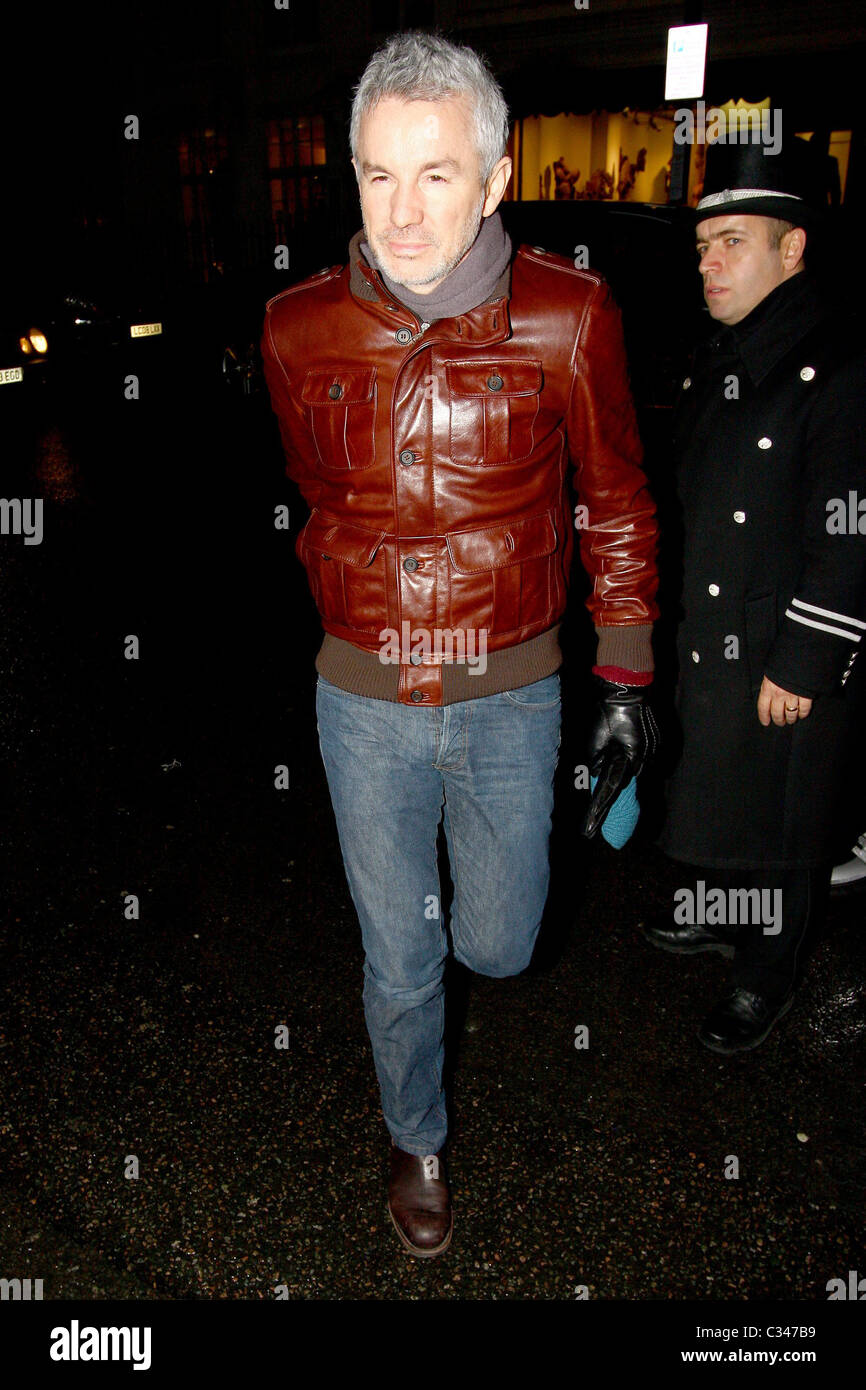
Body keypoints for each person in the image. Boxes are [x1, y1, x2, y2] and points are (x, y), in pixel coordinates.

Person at [261, 29, 658, 1257]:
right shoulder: (295, 327)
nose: (404, 210)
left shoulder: (568, 314)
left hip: (510, 695)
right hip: (361, 703)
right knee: (399, 961)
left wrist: (628, 672)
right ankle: (415, 1133)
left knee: (498, 941)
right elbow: (313, 501)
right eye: (378, 175)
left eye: (436, 175)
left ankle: (465, 930)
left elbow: (619, 500)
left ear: (490, 180)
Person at [645, 130, 866, 1053]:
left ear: (793, 247)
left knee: (781, 819)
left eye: (733, 241)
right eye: (703, 245)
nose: (709, 262)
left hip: (783, 643)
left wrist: (808, 657)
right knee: (718, 789)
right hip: (717, 630)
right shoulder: (719, 356)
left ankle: (765, 973)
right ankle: (719, 910)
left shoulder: (837, 367)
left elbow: (851, 527)